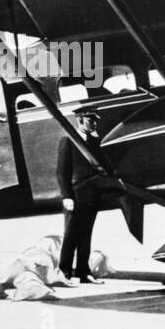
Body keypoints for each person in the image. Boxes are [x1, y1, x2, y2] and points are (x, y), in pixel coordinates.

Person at [57, 110, 105, 283]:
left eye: (94, 120)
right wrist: (66, 196)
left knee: (86, 235)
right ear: (79, 119)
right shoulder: (68, 141)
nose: (93, 123)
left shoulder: (95, 141)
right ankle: (64, 271)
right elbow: (62, 172)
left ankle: (83, 272)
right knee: (71, 235)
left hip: (92, 195)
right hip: (75, 195)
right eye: (90, 119)